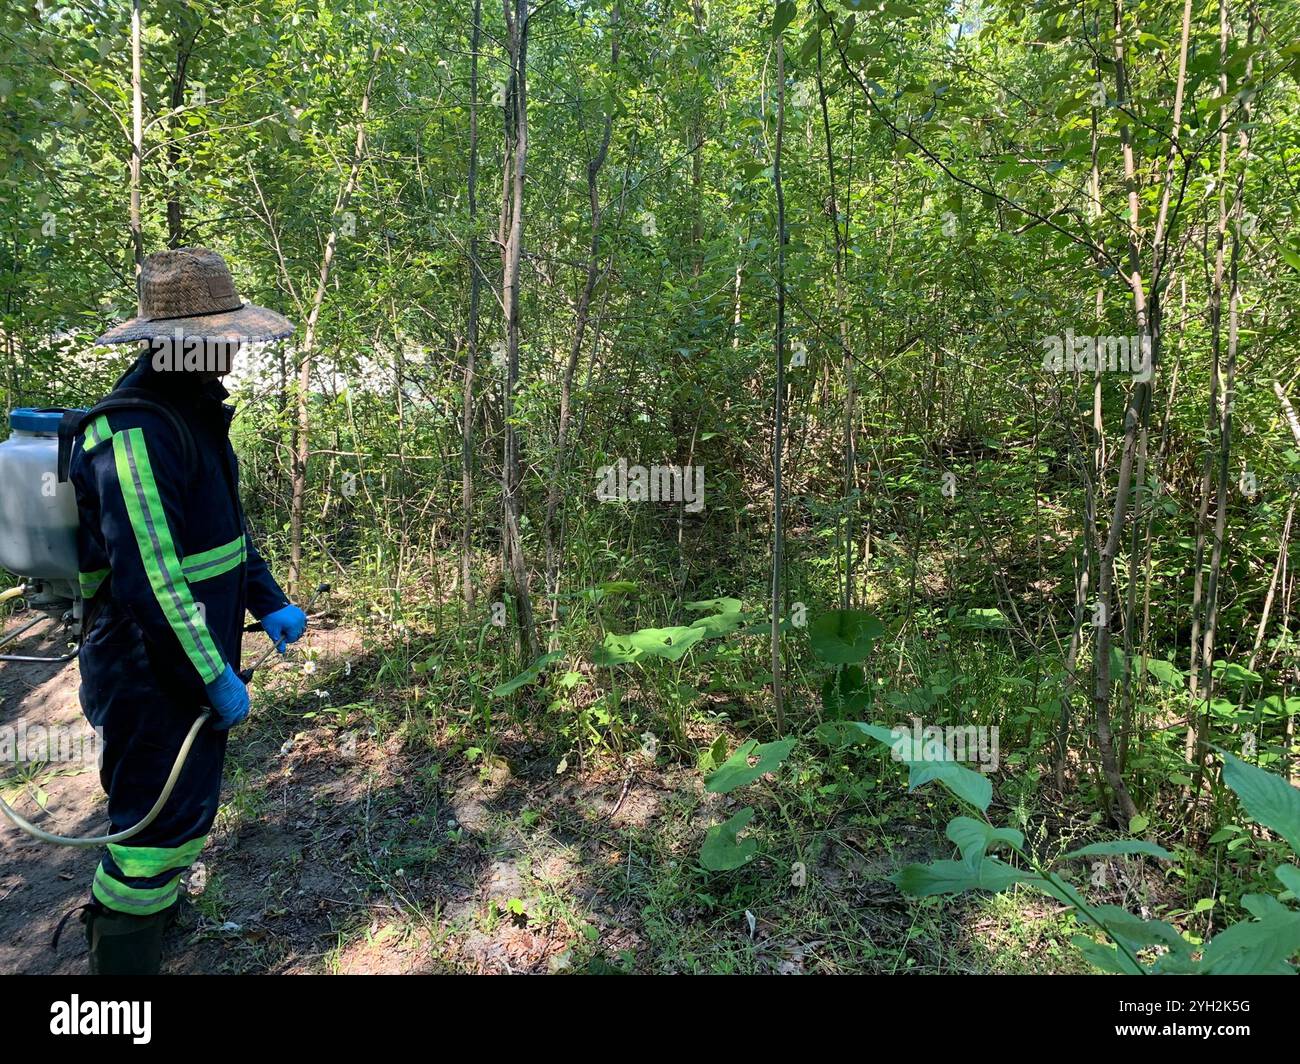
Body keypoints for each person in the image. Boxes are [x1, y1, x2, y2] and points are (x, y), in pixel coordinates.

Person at [64, 247, 305, 973]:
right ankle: (120, 981)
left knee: (180, 813)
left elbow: (222, 530)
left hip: (188, 661)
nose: (232, 346)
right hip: (147, 670)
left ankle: (156, 919)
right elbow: (152, 584)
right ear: (174, 343)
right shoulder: (132, 433)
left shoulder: (192, 412)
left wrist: (269, 601)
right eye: (220, 333)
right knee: (151, 824)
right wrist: (215, 679)